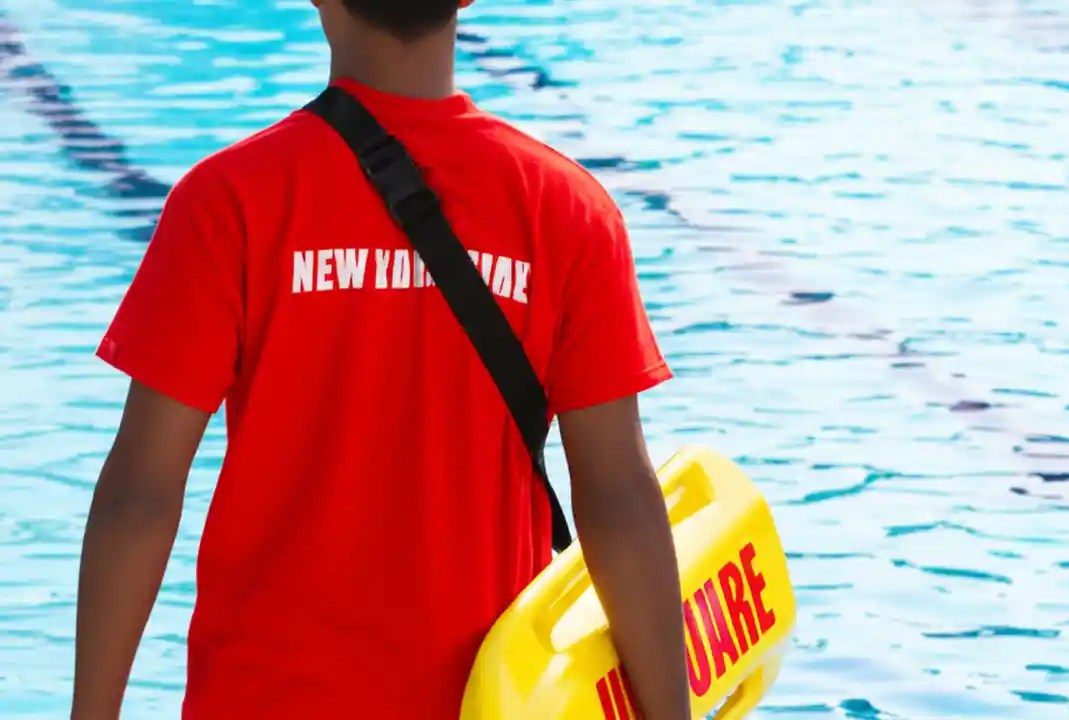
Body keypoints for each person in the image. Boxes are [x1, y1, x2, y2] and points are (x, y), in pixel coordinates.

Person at [71, 1, 691, 718]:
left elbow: (141, 492)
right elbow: (617, 495)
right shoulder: (567, 210)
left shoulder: (228, 201)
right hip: (484, 701)